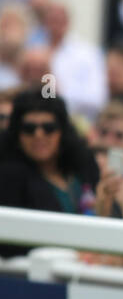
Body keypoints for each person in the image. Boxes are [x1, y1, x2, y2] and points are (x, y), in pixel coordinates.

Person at [0, 92, 97, 226]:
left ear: (62, 131)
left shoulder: (84, 165)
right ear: (17, 133)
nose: (39, 135)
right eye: (29, 128)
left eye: (48, 128)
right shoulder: (8, 178)